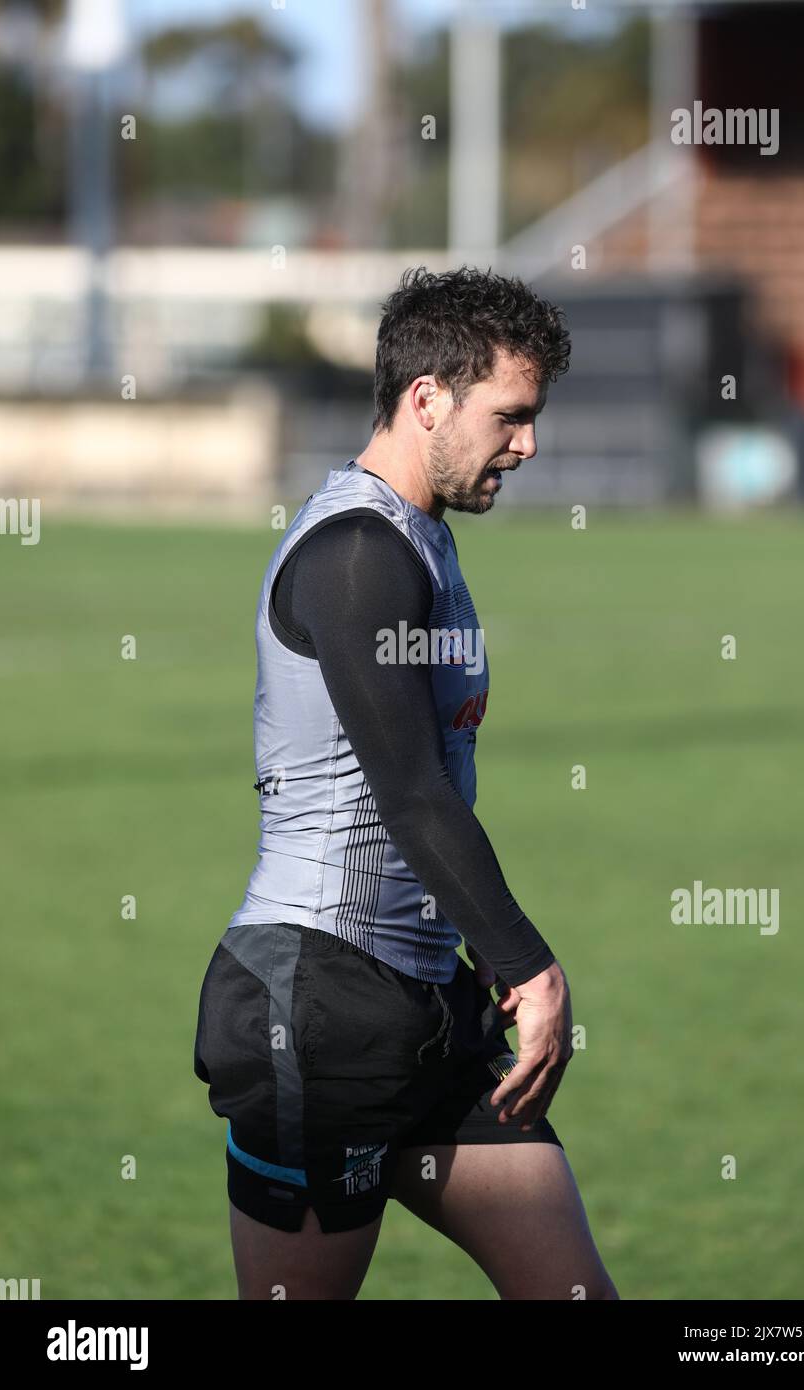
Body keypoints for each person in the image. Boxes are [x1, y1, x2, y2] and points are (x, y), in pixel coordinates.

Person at [193, 265, 619, 1300]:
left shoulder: (419, 536)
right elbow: (411, 790)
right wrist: (529, 964)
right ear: (426, 396)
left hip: (427, 1007)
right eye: (509, 417)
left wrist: (476, 967)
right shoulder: (355, 553)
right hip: (316, 1007)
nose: (526, 445)